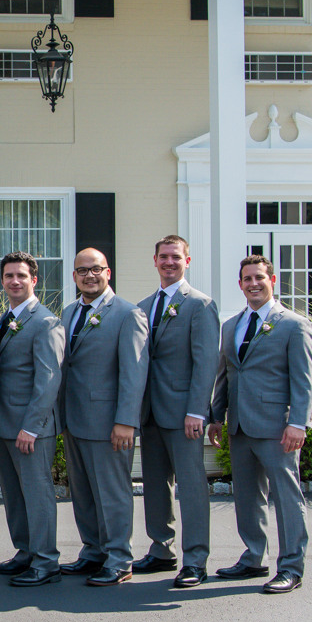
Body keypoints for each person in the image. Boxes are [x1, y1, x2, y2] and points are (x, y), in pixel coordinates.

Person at [208, 254, 312, 594]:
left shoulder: (294, 325)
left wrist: (298, 423)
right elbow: (225, 375)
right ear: (240, 284)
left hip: (276, 427)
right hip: (239, 426)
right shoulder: (231, 325)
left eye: (259, 277)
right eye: (247, 279)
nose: (253, 283)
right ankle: (255, 556)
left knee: (286, 497)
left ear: (272, 281)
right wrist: (216, 416)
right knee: (247, 496)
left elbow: (304, 380)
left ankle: (291, 567)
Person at [57, 247, 149, 587]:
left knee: (112, 493)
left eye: (96, 269)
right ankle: (93, 550)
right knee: (82, 492)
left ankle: (119, 558)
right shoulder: (68, 313)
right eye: (83, 270)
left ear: (108, 272)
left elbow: (134, 372)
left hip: (110, 422)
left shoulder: (127, 314)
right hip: (74, 420)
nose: (89, 275)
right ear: (75, 276)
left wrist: (126, 420)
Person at [134, 235, 220, 589]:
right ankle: (160, 548)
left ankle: (196, 559)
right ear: (154, 260)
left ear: (187, 261)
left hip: (185, 414)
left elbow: (206, 363)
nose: (169, 262)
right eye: (163, 257)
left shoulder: (200, 305)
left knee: (192, 485)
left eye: (176, 257)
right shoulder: (142, 306)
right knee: (154, 484)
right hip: (150, 413)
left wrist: (198, 411)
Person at [0, 252, 65, 587]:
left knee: (37, 494)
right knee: (14, 495)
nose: (14, 281)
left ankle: (46, 561)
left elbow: (49, 380)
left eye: (21, 275)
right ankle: (25, 551)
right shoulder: (4, 319)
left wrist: (31, 427)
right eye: (8, 276)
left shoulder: (46, 322)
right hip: (4, 425)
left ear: (34, 280)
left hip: (30, 428)